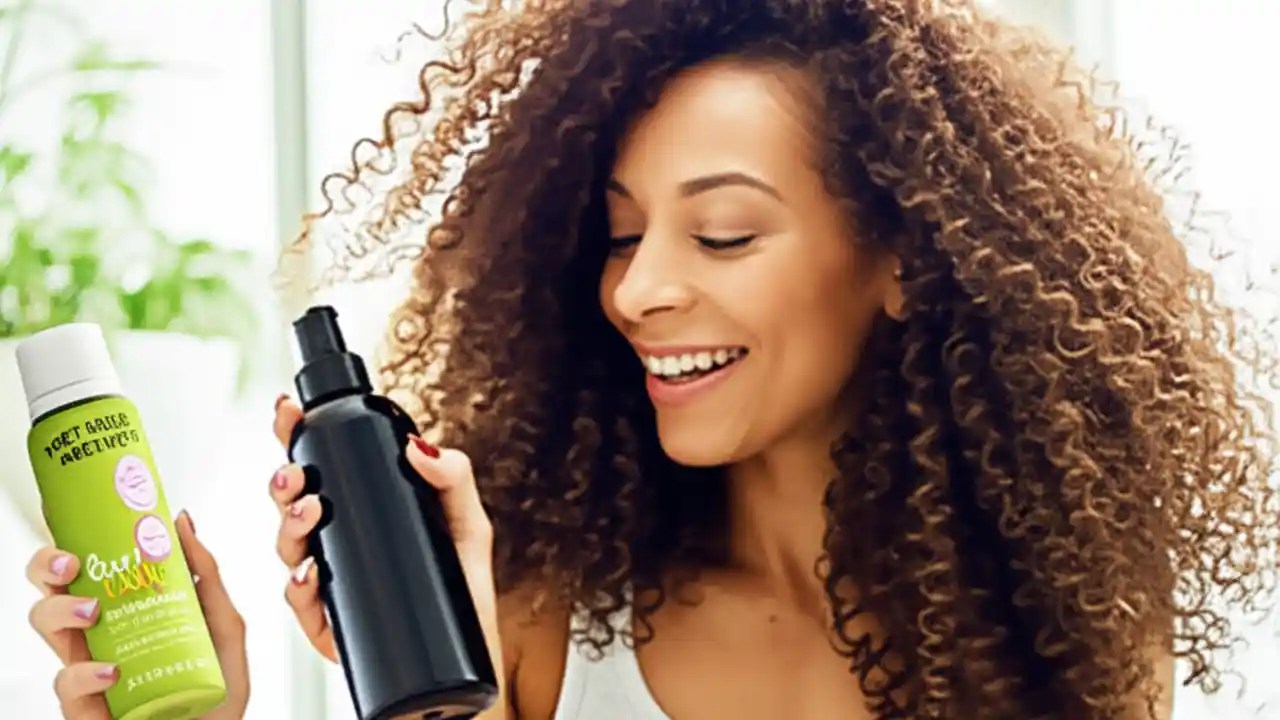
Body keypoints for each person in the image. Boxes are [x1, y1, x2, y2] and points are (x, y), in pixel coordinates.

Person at [25, 0, 1280, 717]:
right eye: (620, 234)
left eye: (722, 231)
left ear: (905, 257)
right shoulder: (539, 624)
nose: (640, 286)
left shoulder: (1049, 639)